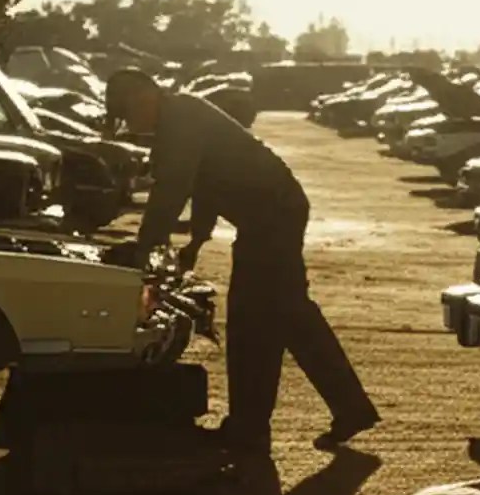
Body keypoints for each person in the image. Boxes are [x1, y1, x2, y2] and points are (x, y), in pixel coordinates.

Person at [105, 68, 380, 454]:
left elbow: (174, 187)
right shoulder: (175, 120)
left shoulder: (181, 117)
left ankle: (249, 429)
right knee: (292, 317)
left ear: (145, 96)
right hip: (267, 215)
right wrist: (197, 240)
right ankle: (350, 409)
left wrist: (143, 246)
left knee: (252, 321)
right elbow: (205, 186)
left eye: (129, 113)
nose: (132, 124)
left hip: (272, 214)